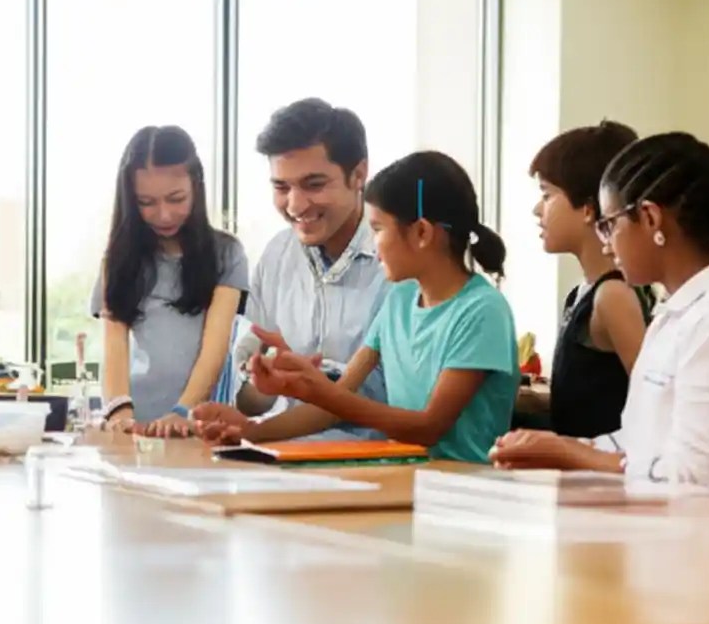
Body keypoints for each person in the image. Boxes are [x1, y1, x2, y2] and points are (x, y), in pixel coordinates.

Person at [491, 132, 709, 503]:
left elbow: (698, 478)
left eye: (610, 224)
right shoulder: (675, 312)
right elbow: (641, 441)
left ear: (651, 218)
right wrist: (557, 446)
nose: (606, 242)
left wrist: (571, 454)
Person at [198, 151, 520, 463]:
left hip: (466, 491)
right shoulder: (399, 300)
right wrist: (251, 431)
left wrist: (320, 390)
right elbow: (333, 406)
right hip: (409, 480)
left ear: (422, 232)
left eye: (377, 229)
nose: (372, 242)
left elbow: (429, 427)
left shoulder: (483, 311)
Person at [231, 97, 389, 439]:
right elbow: (249, 402)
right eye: (281, 187)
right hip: (286, 453)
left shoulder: (396, 259)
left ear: (359, 175)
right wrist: (266, 381)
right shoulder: (277, 255)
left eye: (314, 185)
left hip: (377, 463)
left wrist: (309, 386)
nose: (295, 205)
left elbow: (408, 400)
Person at [92, 126, 248, 436]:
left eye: (176, 198)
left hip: (197, 422)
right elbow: (114, 344)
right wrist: (119, 410)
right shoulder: (118, 260)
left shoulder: (227, 254)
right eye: (146, 202)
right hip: (132, 423)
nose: (163, 215)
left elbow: (215, 348)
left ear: (196, 187)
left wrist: (183, 410)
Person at [521, 120, 653, 437]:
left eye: (547, 195)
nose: (537, 210)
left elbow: (653, 405)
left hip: (607, 479)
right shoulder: (583, 293)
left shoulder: (613, 296)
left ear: (589, 209)